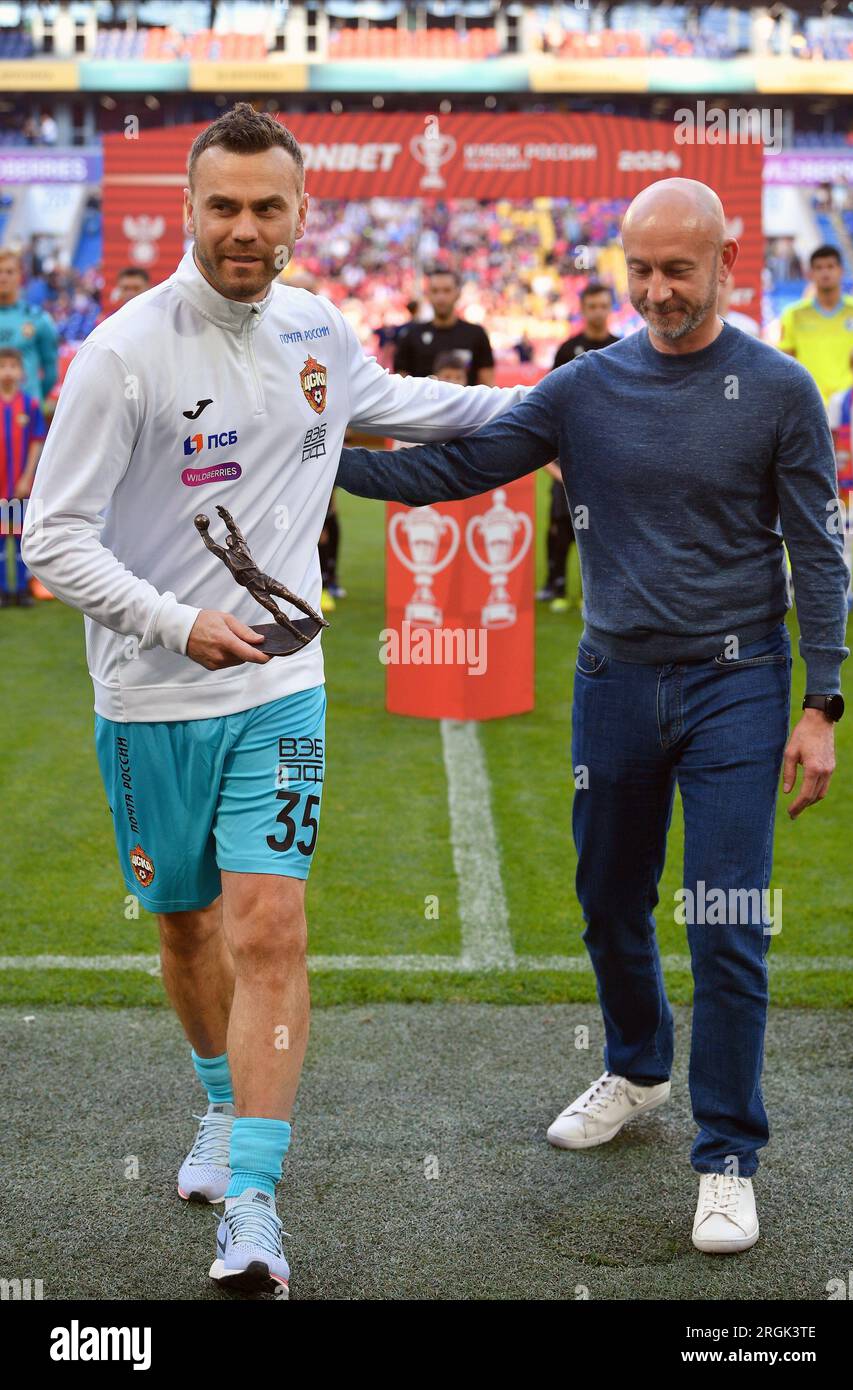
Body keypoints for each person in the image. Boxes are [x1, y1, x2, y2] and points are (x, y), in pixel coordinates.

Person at [21, 101, 529, 1297]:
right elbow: (52, 534)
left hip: (280, 691)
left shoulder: (314, 326)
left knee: (268, 931)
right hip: (150, 701)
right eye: (223, 205)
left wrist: (560, 405)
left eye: (267, 206)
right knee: (186, 927)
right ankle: (212, 1104)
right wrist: (173, 620)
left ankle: (252, 1203)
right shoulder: (123, 354)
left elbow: (416, 406)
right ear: (187, 211)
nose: (245, 227)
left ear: (301, 215)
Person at [336, 177, 849, 1257]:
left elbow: (816, 549)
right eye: (640, 272)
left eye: (677, 271)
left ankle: (725, 1154)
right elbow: (457, 466)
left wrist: (821, 702)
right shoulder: (585, 387)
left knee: (722, 918)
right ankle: (635, 1066)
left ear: (721, 267)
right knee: (607, 897)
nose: (657, 292)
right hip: (613, 680)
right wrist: (309, 464)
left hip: (736, 683)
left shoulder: (779, 389)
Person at [537, 282, 619, 611]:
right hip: (570, 455)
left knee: (605, 527)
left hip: (608, 457)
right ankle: (554, 582)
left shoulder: (621, 348)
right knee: (560, 522)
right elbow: (551, 400)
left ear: (609, 309)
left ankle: (596, 590)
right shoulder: (566, 349)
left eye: (603, 305)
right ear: (583, 310)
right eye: (592, 306)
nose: (597, 312)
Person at [779, 244, 853, 402]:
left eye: (830, 266)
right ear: (810, 274)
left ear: (841, 271)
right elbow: (785, 361)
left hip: (851, 404)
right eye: (818, 268)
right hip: (810, 402)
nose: (825, 272)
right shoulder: (794, 315)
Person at [394, 268, 495, 386]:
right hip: (424, 404)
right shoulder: (410, 335)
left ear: (458, 293)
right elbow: (401, 386)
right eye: (435, 291)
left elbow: (487, 385)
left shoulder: (477, 334)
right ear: (428, 294)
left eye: (447, 290)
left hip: (465, 404)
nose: (441, 297)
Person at [0, 346, 45, 606]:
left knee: (22, 540)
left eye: (12, 366)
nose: (7, 371)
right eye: (3, 366)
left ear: (21, 372)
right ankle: (4, 589)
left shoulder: (30, 405)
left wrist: (27, 477)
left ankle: (23, 589)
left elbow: (37, 442)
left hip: (20, 486)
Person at [827, 341, 853, 608]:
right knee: (848, 534)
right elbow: (830, 439)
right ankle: (846, 591)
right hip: (847, 478)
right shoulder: (840, 401)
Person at [0, 249, 58, 404]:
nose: (3, 277)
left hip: (25, 415)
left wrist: (33, 399)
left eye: (9, 272)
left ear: (20, 276)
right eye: (0, 271)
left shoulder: (38, 319)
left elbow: (50, 372)